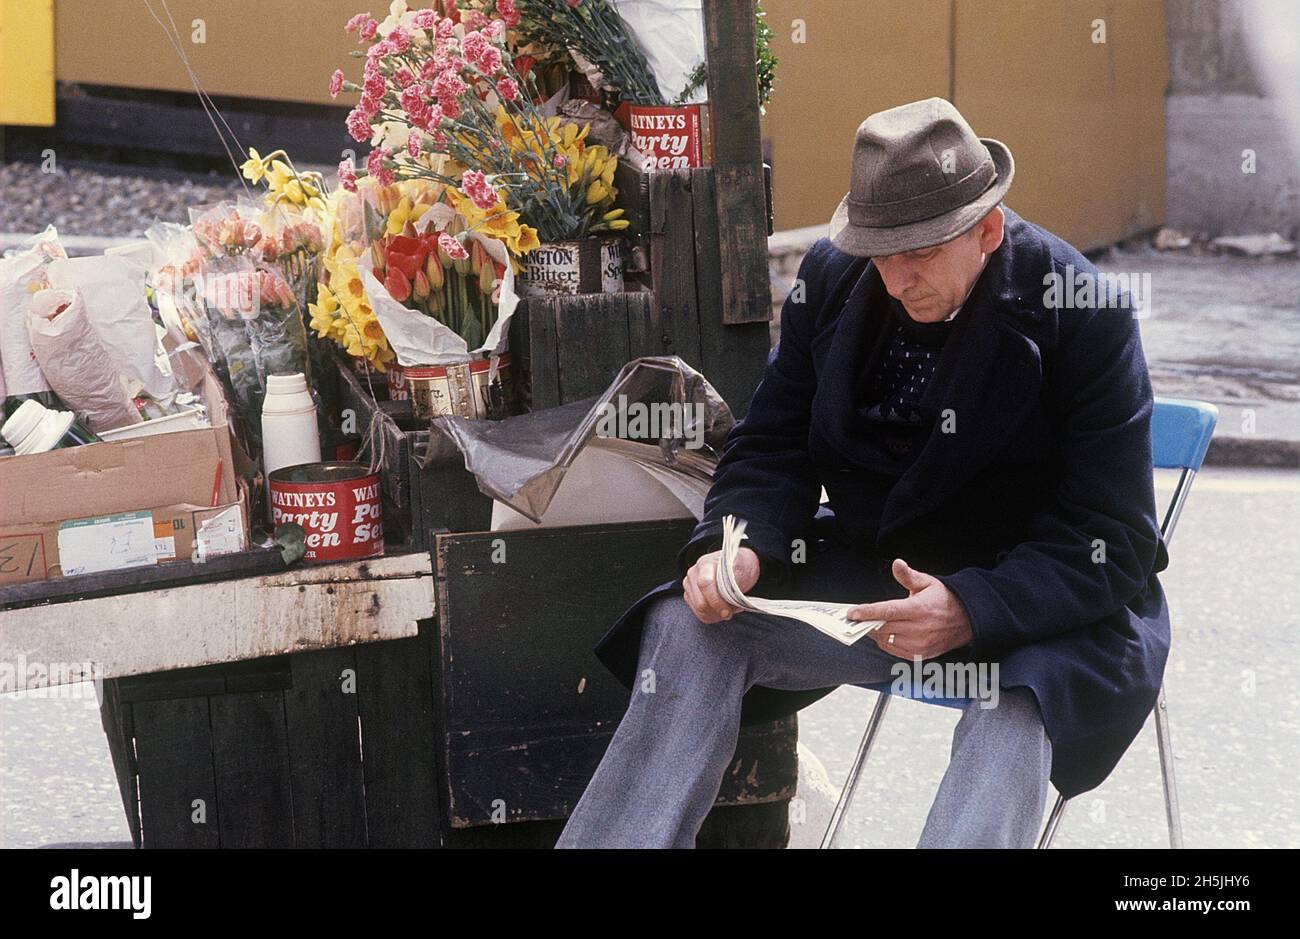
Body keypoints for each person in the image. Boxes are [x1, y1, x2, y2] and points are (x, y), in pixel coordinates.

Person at [556, 97, 1169, 849]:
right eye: (881, 252)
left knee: (1017, 703)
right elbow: (773, 441)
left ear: (987, 229)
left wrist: (972, 604)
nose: (896, 278)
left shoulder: (1085, 312)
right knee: (689, 625)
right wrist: (737, 543)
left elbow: (1112, 537)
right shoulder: (837, 275)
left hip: (1037, 601)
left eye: (919, 254)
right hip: (883, 576)